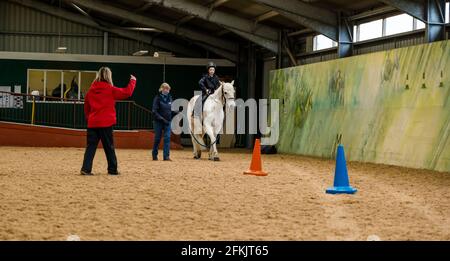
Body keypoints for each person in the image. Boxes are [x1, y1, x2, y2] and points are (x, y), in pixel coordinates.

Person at [80, 67, 136, 176]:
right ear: (108, 76)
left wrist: (89, 118)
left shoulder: (90, 91)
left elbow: (86, 107)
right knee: (109, 147)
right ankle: (112, 169)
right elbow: (127, 92)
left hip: (93, 123)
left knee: (90, 147)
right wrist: (133, 81)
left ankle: (86, 169)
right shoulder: (110, 89)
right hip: (106, 123)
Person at [152, 82, 177, 161]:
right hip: (158, 122)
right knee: (157, 138)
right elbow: (154, 111)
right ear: (161, 89)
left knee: (167, 138)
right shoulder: (157, 98)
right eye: (165, 88)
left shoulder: (170, 98)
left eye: (168, 89)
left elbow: (171, 110)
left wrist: (177, 112)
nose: (167, 90)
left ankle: (166, 157)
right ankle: (154, 154)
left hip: (168, 122)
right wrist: (162, 119)